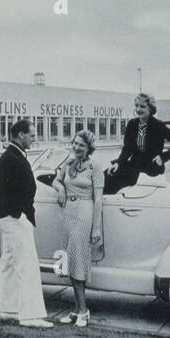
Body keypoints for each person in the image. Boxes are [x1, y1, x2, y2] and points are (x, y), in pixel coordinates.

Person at [0, 118, 52, 328]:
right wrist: (20, 214)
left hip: (13, 216)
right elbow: (6, 192)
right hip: (15, 217)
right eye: (32, 135)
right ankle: (30, 315)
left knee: (9, 263)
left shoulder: (13, 155)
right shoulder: (11, 158)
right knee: (26, 265)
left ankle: (5, 309)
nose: (34, 139)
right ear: (20, 135)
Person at [52, 129, 104, 326]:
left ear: (89, 148)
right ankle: (77, 310)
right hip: (68, 213)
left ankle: (83, 311)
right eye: (75, 144)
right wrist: (61, 189)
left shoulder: (95, 167)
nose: (76, 148)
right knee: (71, 260)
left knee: (79, 260)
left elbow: (98, 199)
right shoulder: (69, 164)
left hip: (84, 213)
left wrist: (96, 228)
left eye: (81, 145)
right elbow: (56, 180)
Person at [105, 92, 170, 195]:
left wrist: (162, 157)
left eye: (142, 106)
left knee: (117, 182)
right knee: (107, 175)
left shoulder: (159, 126)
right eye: (136, 105)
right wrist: (118, 163)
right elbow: (127, 149)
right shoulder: (132, 124)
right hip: (134, 165)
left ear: (150, 108)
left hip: (150, 167)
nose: (138, 109)